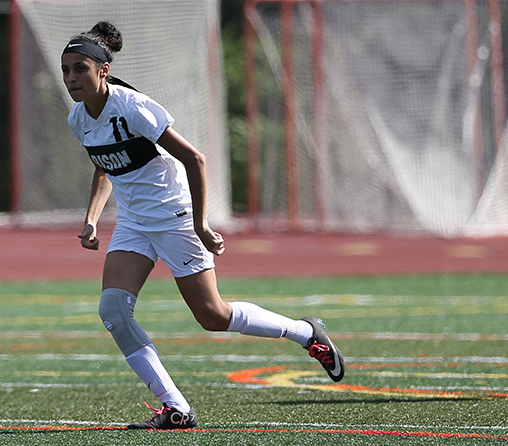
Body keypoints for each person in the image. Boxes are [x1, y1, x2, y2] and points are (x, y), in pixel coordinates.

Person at [61, 21, 345, 430]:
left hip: (174, 216)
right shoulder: (78, 119)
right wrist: (90, 219)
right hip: (134, 223)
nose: (71, 78)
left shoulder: (133, 107)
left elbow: (195, 159)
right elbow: (103, 167)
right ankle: (175, 407)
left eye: (80, 69)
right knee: (113, 311)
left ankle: (305, 332)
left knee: (213, 316)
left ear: (103, 70)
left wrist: (200, 223)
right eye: (67, 70)